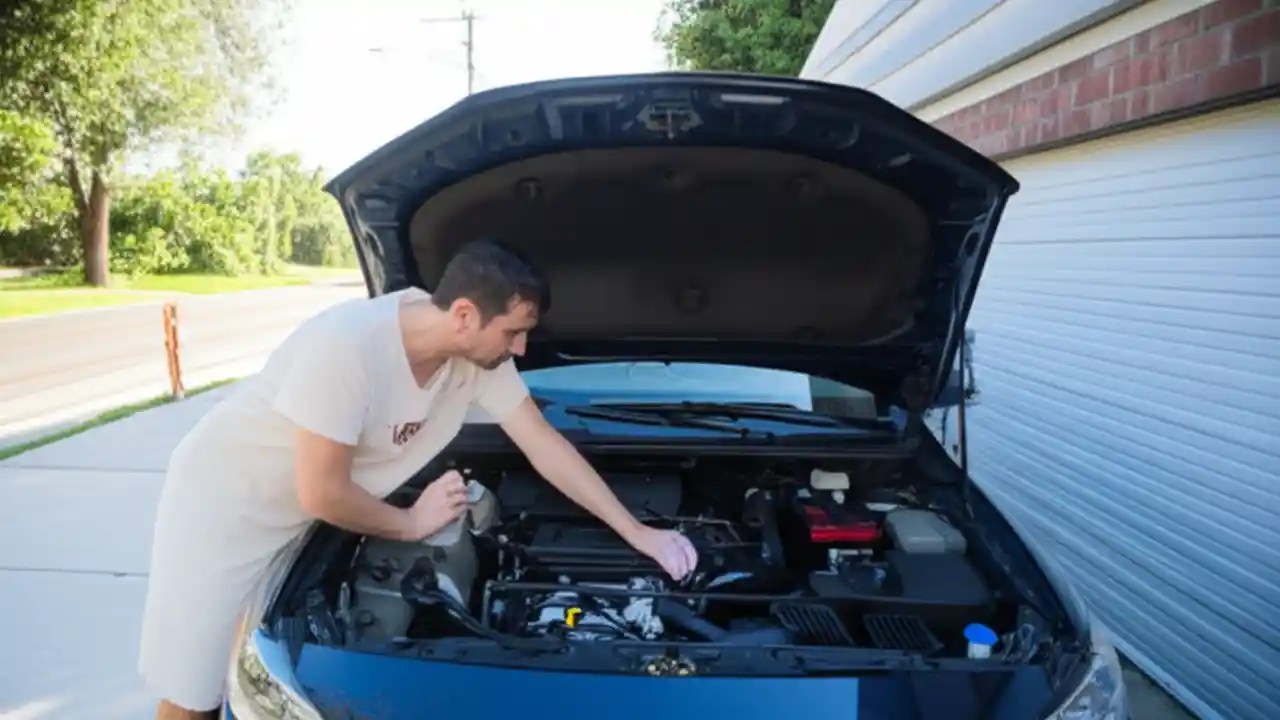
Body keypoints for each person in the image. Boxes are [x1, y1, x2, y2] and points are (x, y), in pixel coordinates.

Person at [138, 237, 699, 719]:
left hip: (304, 513)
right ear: (463, 316)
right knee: (193, 684)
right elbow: (323, 492)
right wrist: (411, 522)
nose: (522, 349)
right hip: (228, 506)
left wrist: (639, 534)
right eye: (514, 333)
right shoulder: (346, 349)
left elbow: (544, 445)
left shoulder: (474, 361)